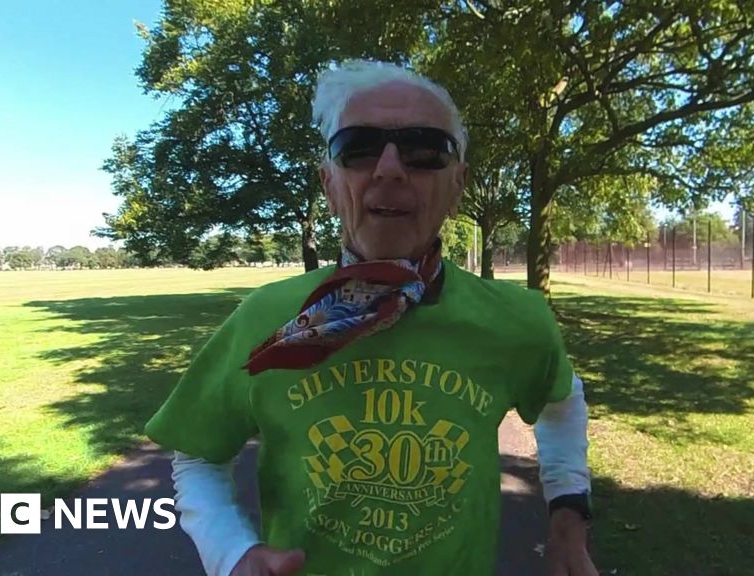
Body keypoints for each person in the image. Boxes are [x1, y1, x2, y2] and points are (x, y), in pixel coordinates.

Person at [144, 60, 597, 576]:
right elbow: (198, 454)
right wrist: (232, 555)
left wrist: (568, 519)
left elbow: (561, 400)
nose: (388, 168)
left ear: (458, 186)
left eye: (425, 149)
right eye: (357, 148)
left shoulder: (518, 320)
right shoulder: (264, 319)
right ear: (330, 183)